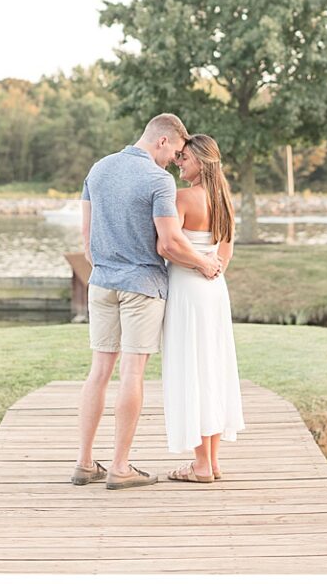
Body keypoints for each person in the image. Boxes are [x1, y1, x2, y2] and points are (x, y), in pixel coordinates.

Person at [72, 113, 223, 490]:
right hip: (142, 286)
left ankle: (85, 462)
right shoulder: (158, 180)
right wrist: (204, 261)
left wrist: (107, 267)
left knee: (99, 371)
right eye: (174, 151)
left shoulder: (99, 169)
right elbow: (170, 243)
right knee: (132, 374)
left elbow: (87, 240)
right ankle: (120, 466)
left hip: (102, 282)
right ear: (162, 141)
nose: (174, 160)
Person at [160, 133, 245, 482]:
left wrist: (196, 265)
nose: (179, 163)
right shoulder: (224, 201)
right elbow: (224, 255)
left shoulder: (181, 199)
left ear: (201, 162)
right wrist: (212, 267)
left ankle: (200, 465)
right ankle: (211, 461)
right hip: (215, 290)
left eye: (184, 158)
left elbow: (167, 248)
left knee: (192, 368)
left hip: (187, 289)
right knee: (211, 367)